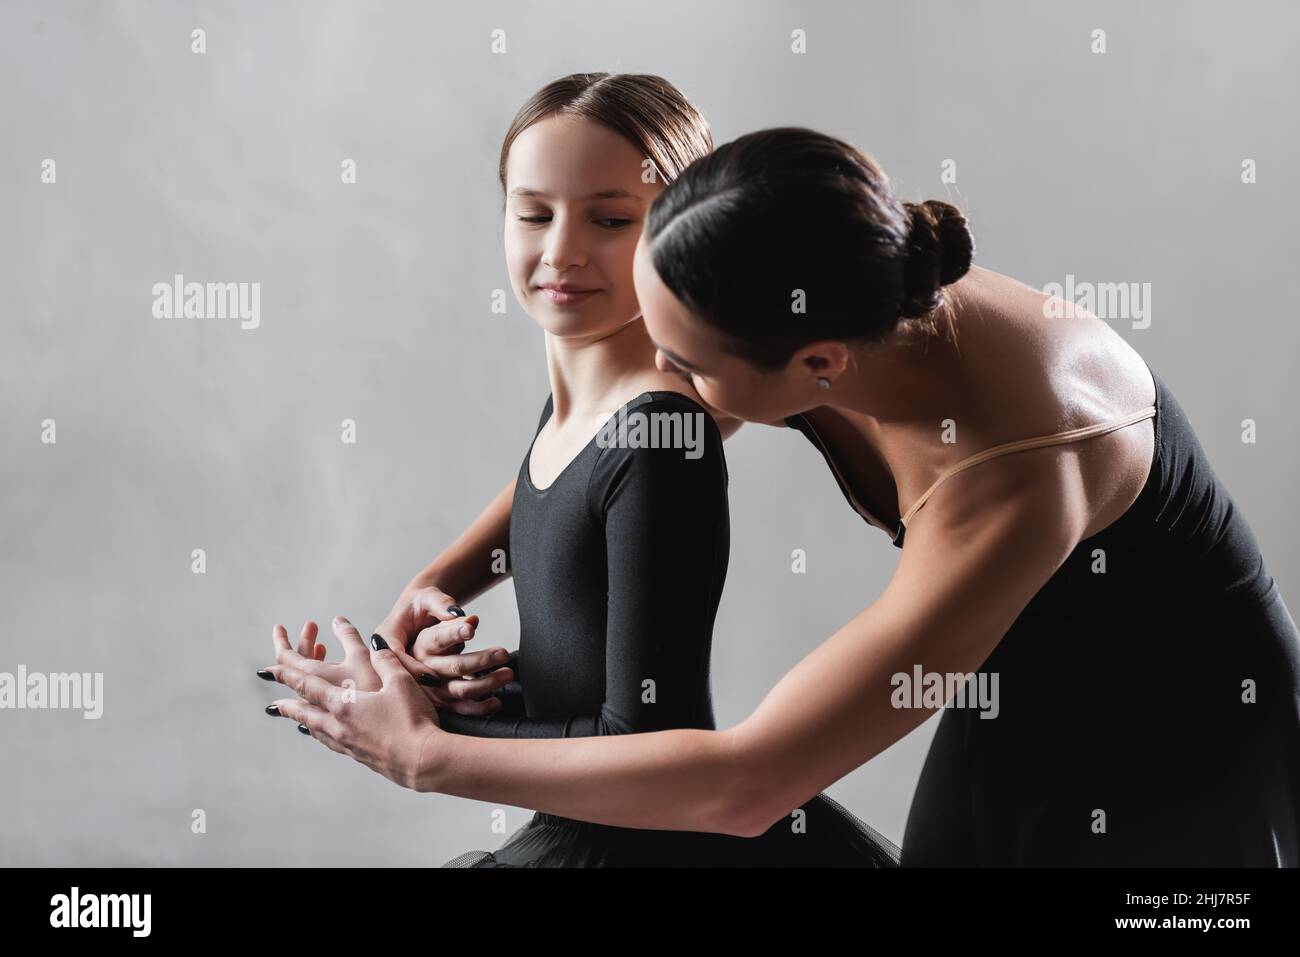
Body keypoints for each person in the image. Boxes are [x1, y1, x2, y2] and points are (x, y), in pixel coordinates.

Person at [265, 126, 1300, 866]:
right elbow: (631, 433)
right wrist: (446, 576)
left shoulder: (1018, 472)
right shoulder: (819, 268)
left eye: (683, 361)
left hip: (1185, 740)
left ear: (817, 365)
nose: (656, 380)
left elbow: (746, 786)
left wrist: (426, 759)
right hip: (1018, 677)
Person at [266, 81, 898, 867]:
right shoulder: (569, 419)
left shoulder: (660, 439)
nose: (562, 250)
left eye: (609, 220)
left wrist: (417, 731)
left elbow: (640, 740)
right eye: (533, 213)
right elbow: (572, 689)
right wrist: (417, 688)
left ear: (680, 231)